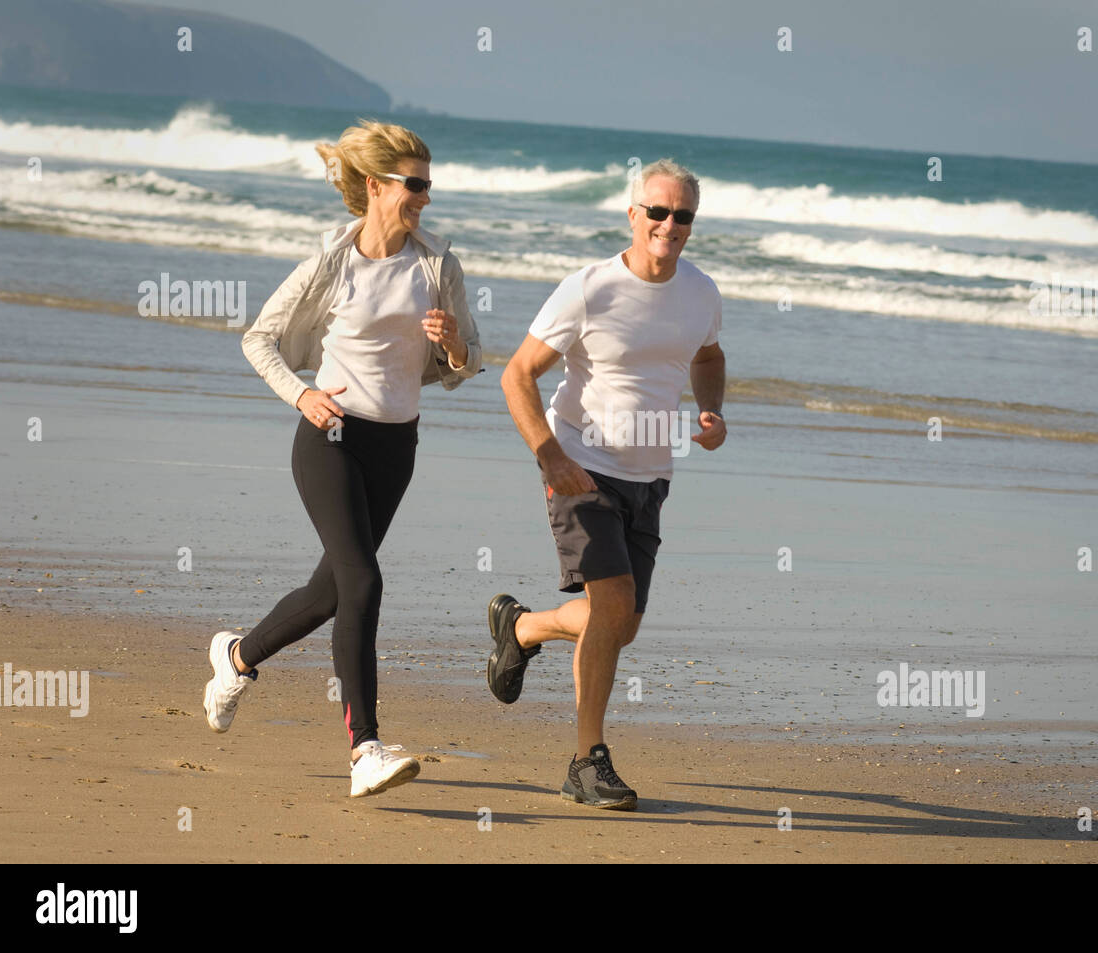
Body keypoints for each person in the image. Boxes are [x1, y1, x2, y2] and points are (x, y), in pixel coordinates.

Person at [204, 120, 482, 798]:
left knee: (333, 591)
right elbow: (259, 338)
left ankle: (235, 656)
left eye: (428, 184)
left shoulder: (438, 264)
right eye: (413, 184)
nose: (424, 196)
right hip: (328, 437)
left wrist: (450, 347)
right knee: (365, 583)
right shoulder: (333, 261)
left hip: (396, 447)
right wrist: (301, 395)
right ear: (375, 185)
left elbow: (470, 359)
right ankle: (365, 749)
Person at [489, 158, 726, 810]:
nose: (669, 225)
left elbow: (708, 355)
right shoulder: (589, 288)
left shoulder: (701, 293)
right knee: (614, 600)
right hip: (580, 468)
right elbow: (517, 375)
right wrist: (548, 455)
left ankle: (524, 628)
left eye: (682, 216)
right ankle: (585, 761)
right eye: (658, 211)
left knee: (619, 624)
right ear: (633, 214)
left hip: (650, 478)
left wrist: (711, 410)